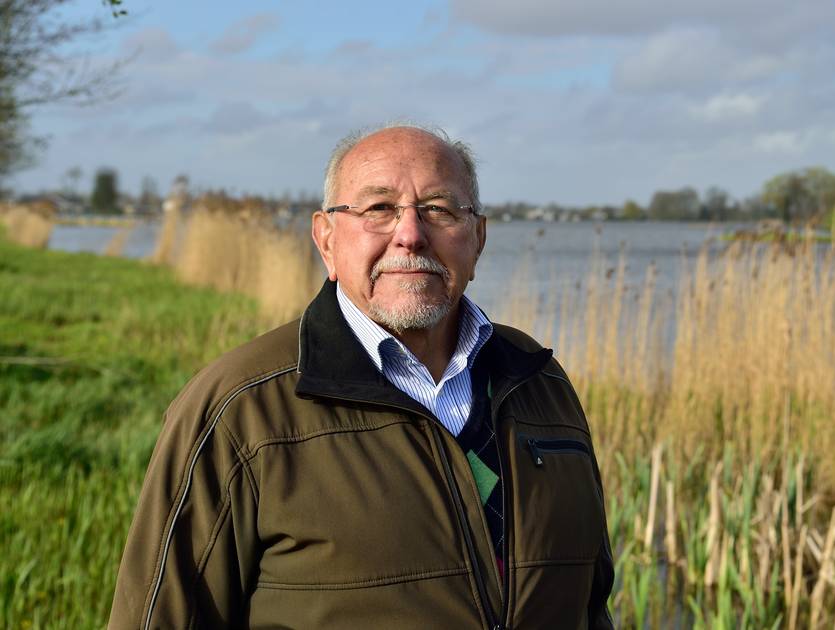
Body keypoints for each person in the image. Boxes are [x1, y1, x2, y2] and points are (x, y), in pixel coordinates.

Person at [109, 124, 614, 629]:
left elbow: (591, 608)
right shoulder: (240, 409)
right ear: (325, 239)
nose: (411, 234)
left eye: (439, 209)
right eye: (379, 209)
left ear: (477, 237)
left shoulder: (539, 382)